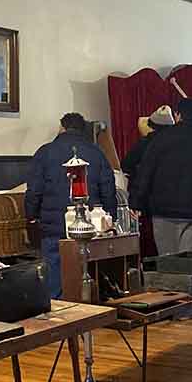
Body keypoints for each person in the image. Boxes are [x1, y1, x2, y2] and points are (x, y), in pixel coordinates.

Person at [25, 112, 117, 299]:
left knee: (54, 273)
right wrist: (110, 217)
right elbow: (108, 188)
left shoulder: (45, 152)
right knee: (86, 268)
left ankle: (58, 314)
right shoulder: (96, 152)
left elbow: (34, 189)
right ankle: (87, 308)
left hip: (54, 224)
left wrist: (31, 215)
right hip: (89, 223)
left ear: (62, 127)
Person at [131, 97, 192, 254]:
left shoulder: (159, 141)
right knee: (190, 266)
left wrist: (136, 202)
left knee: (167, 263)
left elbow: (145, 172)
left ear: (177, 115)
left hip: (163, 212)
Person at [121, 105, 174, 205]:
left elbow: (126, 165)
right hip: (173, 198)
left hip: (146, 198)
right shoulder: (177, 144)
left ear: (151, 125)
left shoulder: (144, 144)